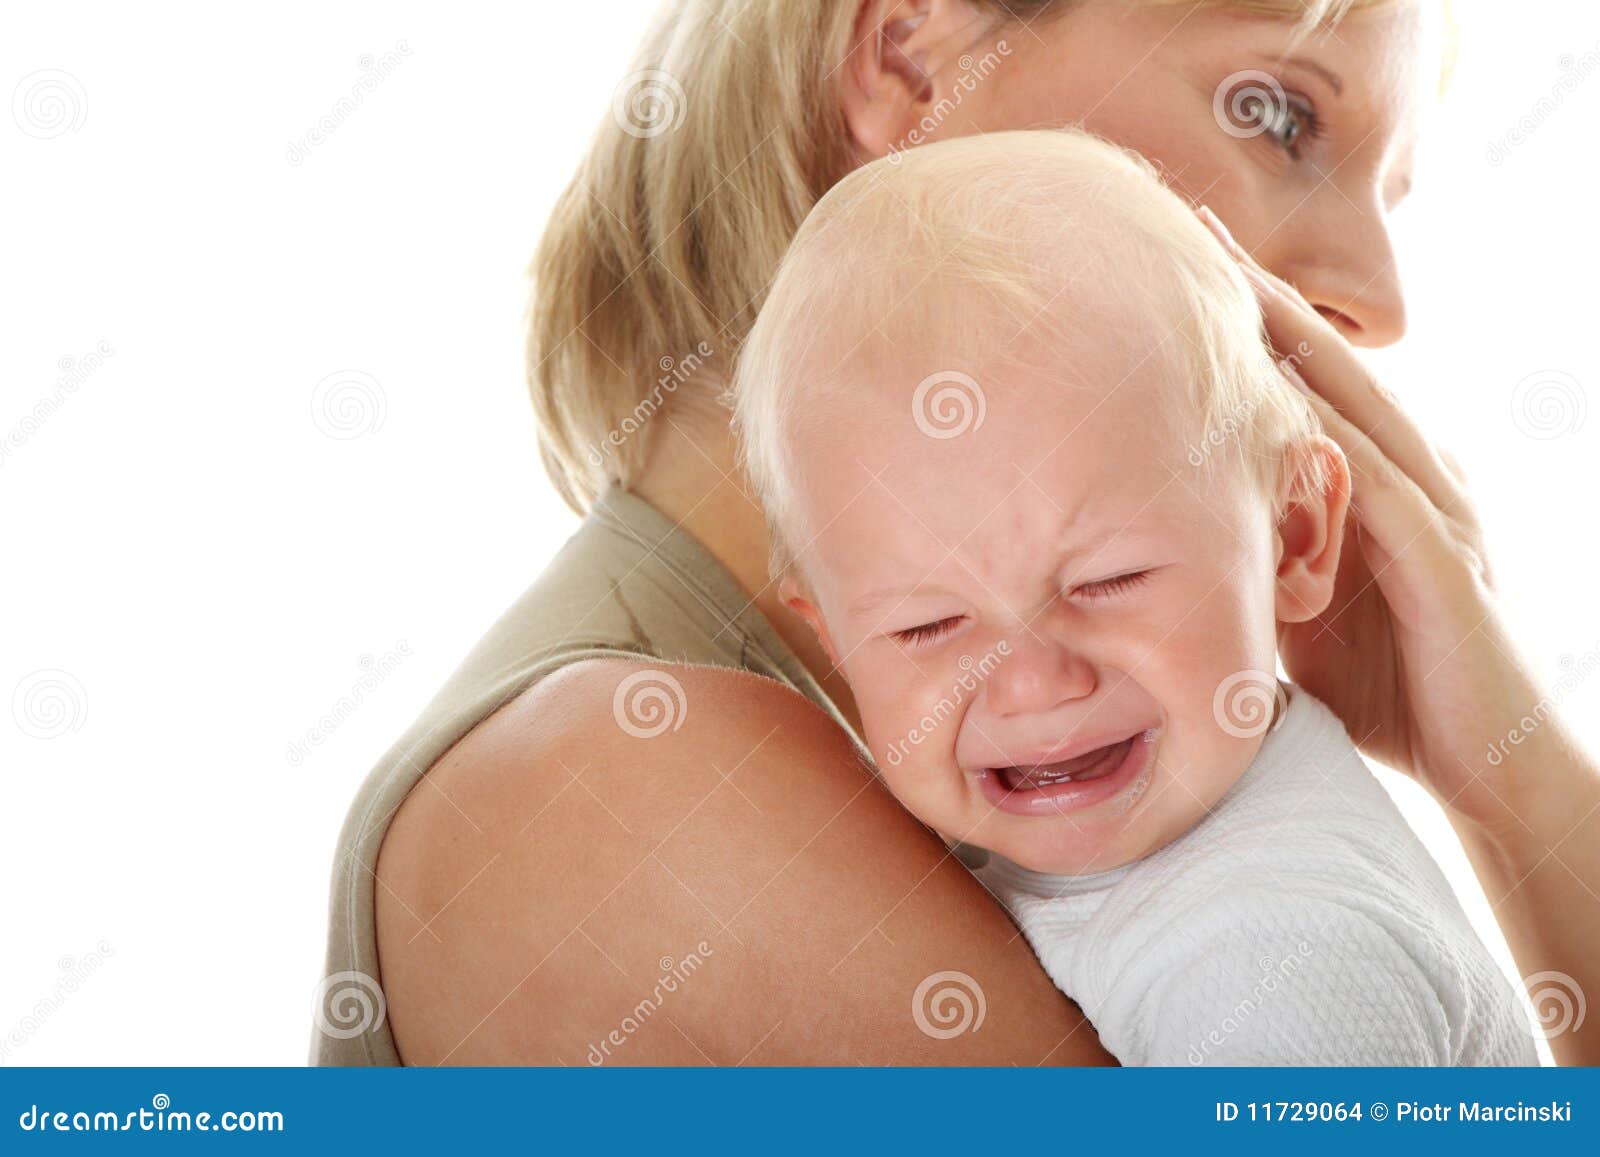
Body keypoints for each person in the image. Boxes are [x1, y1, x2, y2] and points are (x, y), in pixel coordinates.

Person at [316, 0, 1599, 1065]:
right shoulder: (619, 787)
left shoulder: (1044, 774)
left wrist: (1492, 763)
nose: (1375, 298)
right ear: (910, 53)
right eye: (1276, 112)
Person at [731, 127, 1534, 1065]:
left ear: (1296, 537)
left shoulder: (1271, 968)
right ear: (830, 640)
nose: (1032, 682)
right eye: (927, 625)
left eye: (1107, 580)